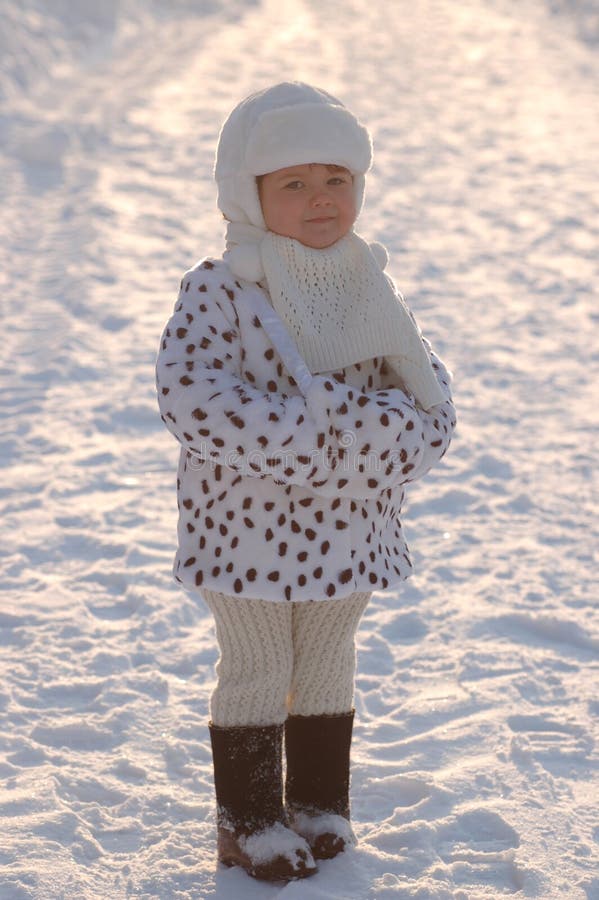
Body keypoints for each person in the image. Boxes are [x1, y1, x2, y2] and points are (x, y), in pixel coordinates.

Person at [156, 82, 456, 883]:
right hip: (244, 536)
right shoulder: (221, 287)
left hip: (349, 536)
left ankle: (320, 804)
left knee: (326, 661)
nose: (321, 199)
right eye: (293, 183)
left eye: (336, 178)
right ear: (248, 194)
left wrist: (366, 438)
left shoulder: (369, 284)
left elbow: (430, 404)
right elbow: (193, 400)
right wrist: (324, 441)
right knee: (257, 666)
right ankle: (249, 818)